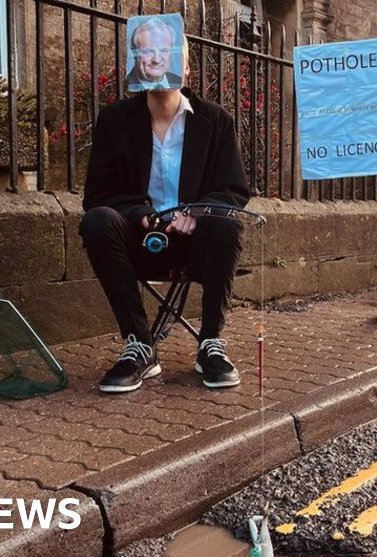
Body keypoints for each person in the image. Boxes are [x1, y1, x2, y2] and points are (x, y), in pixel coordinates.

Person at [80, 33, 250, 394]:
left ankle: (210, 344)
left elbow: (233, 190)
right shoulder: (114, 120)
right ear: (137, 64)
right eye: (148, 53)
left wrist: (198, 213)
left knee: (226, 226)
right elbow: (98, 195)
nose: (157, 60)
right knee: (97, 222)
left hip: (195, 244)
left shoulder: (216, 121)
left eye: (168, 54)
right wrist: (139, 211)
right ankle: (140, 345)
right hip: (138, 241)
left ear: (186, 67)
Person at [126, 17, 184, 90]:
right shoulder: (120, 87)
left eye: (164, 50)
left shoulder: (179, 82)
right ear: (134, 52)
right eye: (148, 51)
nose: (157, 60)